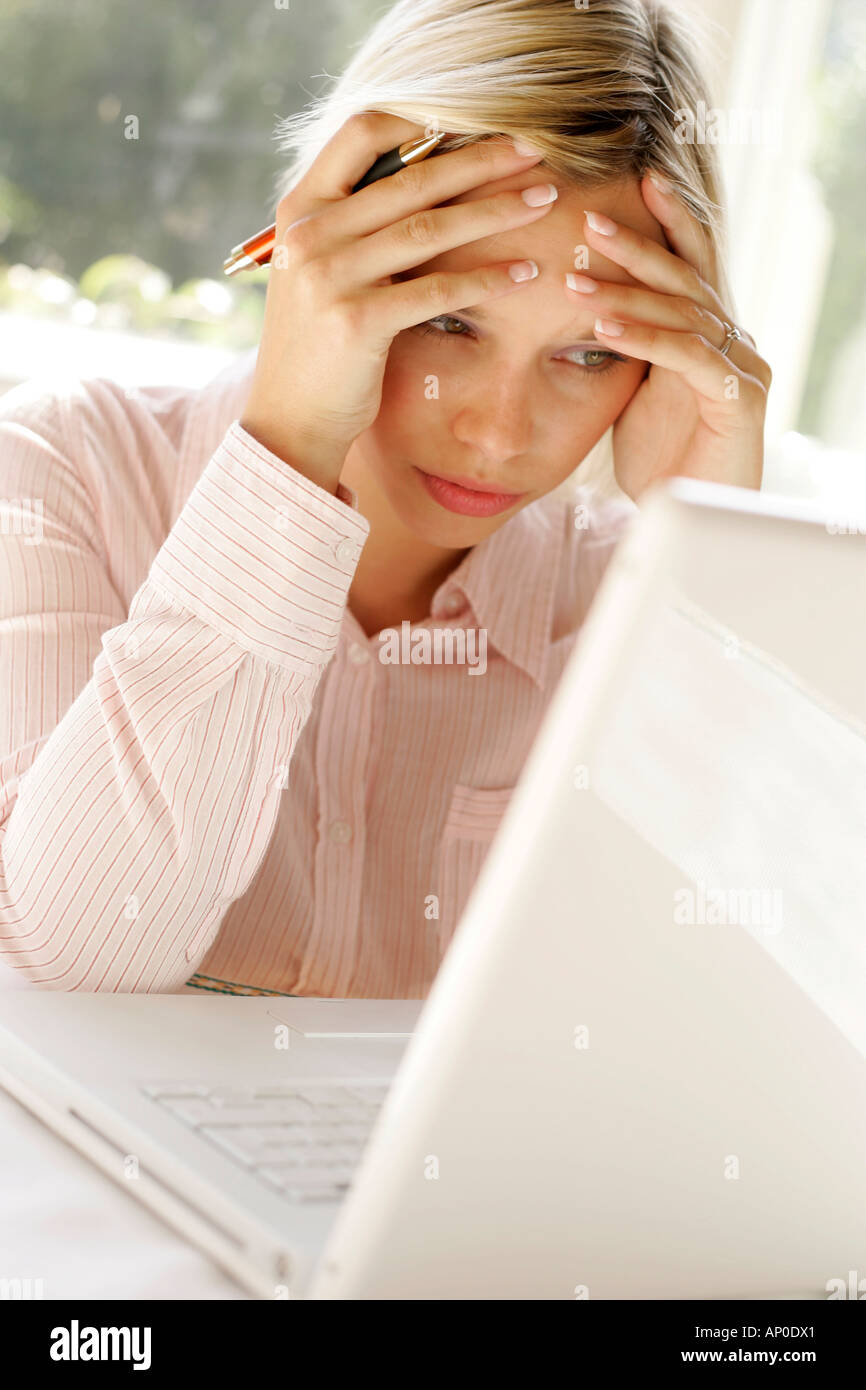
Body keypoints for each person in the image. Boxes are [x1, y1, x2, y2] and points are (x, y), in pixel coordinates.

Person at [0, 0, 771, 997]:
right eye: (447, 319)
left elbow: (677, 1043)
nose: (498, 434)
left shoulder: (625, 602)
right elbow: (83, 960)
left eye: (587, 353)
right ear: (319, 250)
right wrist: (287, 456)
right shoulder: (60, 473)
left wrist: (704, 567)